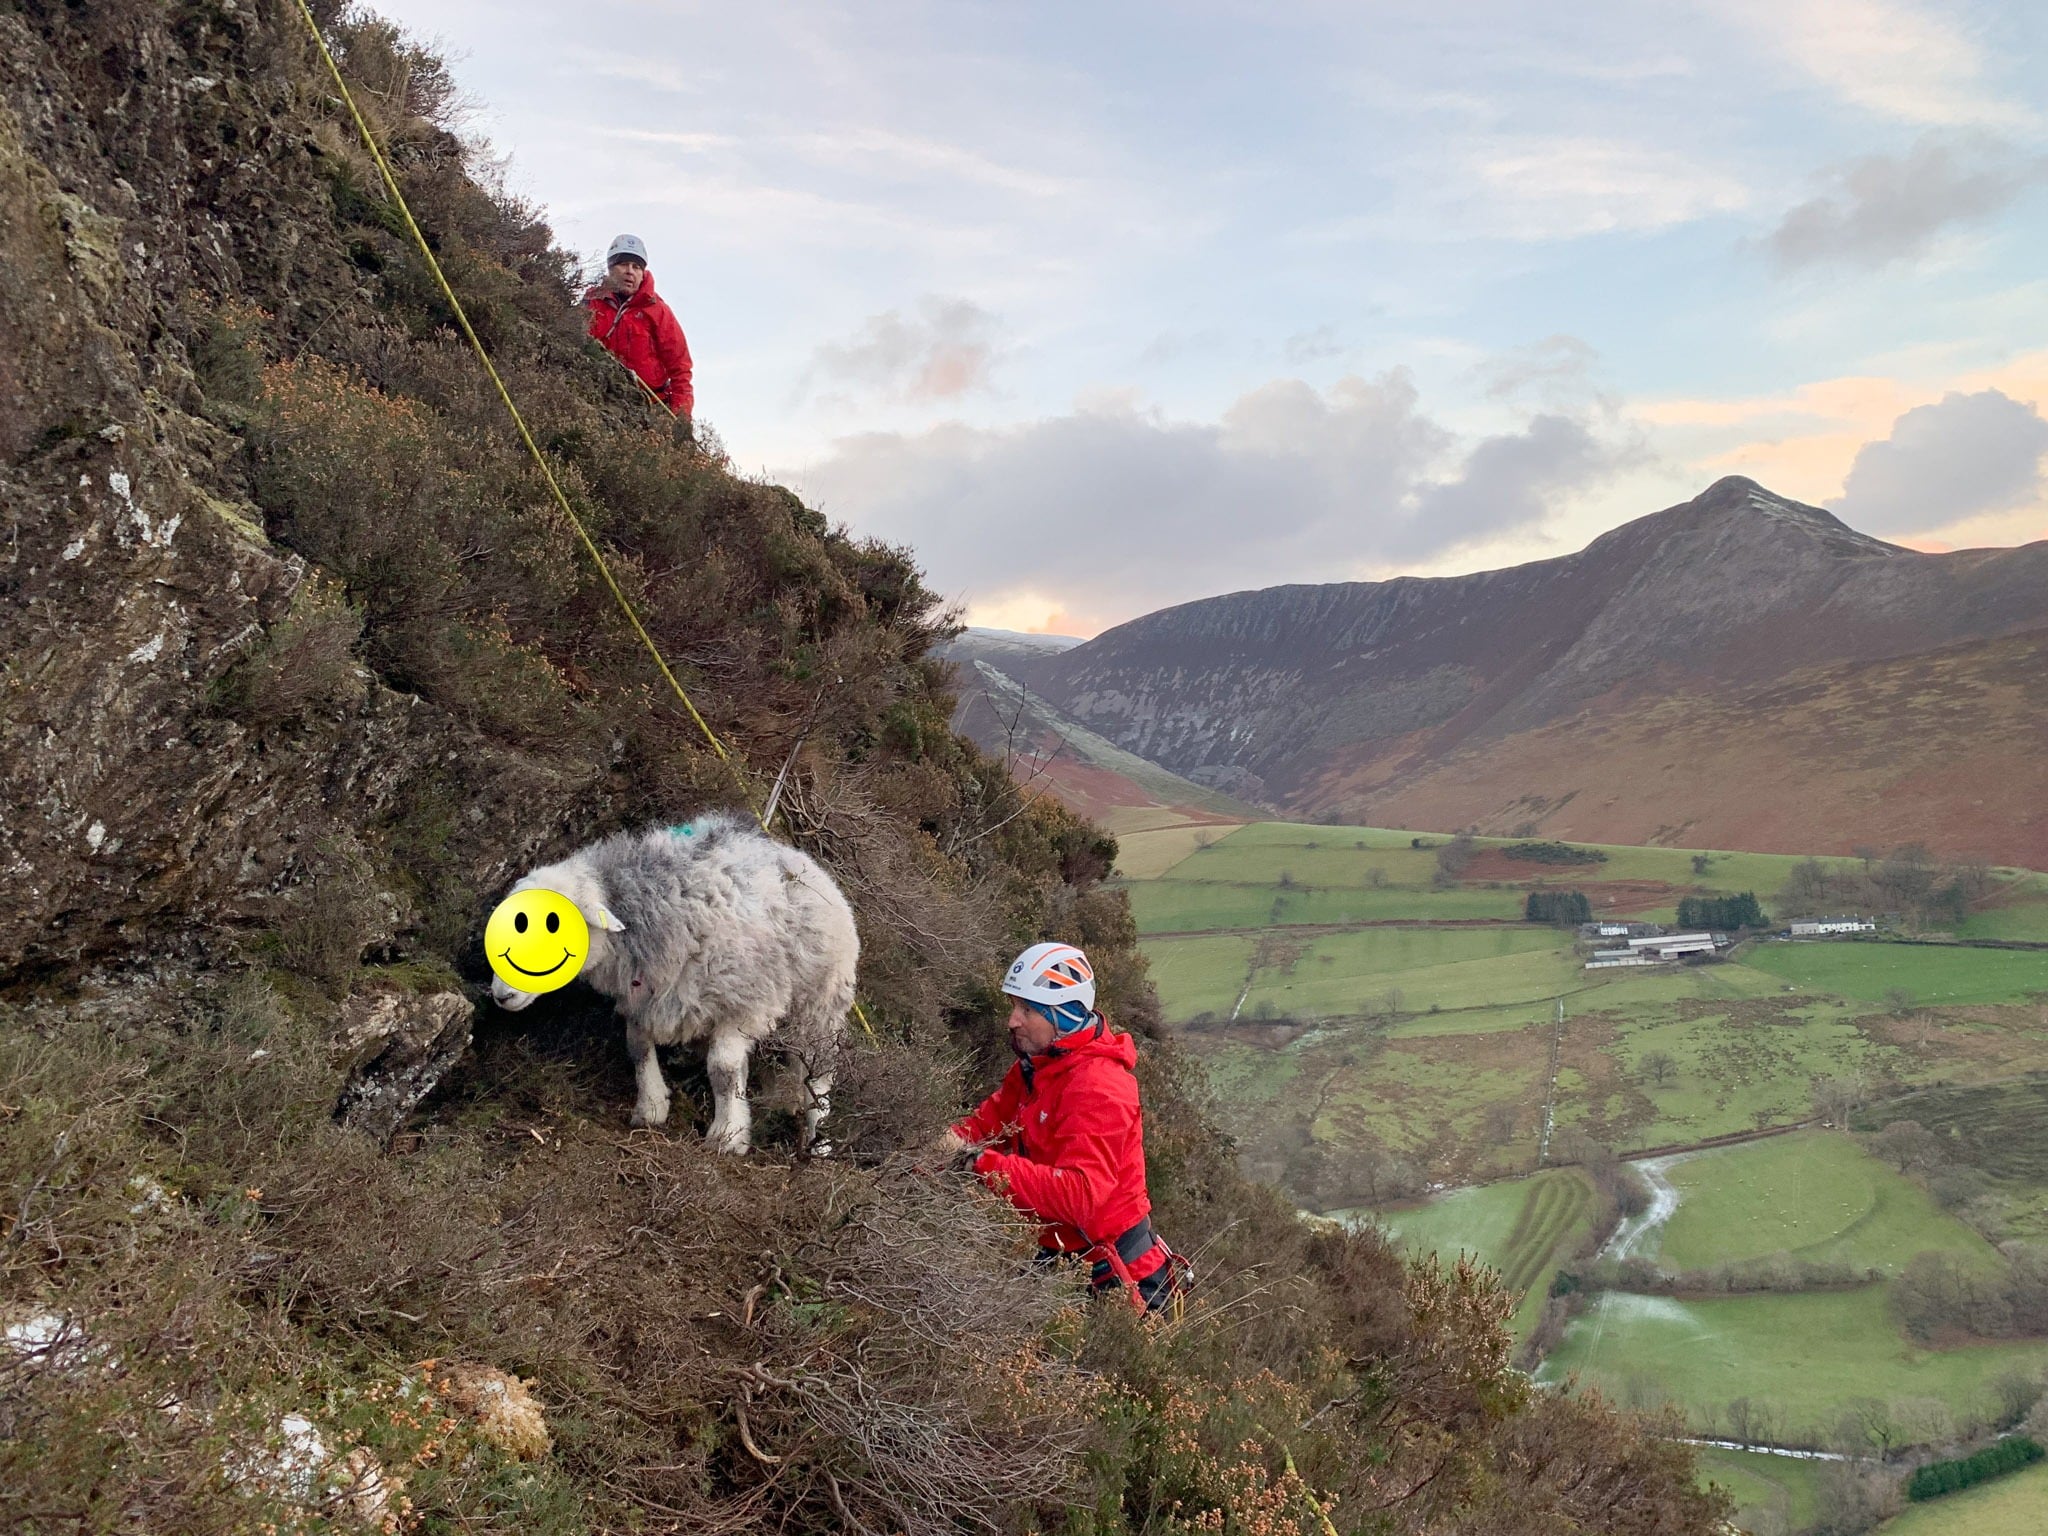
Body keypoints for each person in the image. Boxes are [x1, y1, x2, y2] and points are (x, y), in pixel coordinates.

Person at [940, 942, 1183, 1311]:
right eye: (1014, 1007)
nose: (1012, 1021)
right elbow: (987, 1124)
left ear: (1062, 1017)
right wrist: (932, 1148)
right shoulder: (1036, 1068)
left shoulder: (1100, 1089)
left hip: (1118, 1282)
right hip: (1063, 1259)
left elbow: (1080, 1196)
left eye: (1026, 1010)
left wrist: (975, 1161)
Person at [584, 233, 694, 442]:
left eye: (637, 267)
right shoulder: (591, 302)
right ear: (610, 268)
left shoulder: (658, 311)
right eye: (623, 264)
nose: (630, 272)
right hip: (599, 397)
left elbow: (681, 369)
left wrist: (680, 420)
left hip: (649, 408)